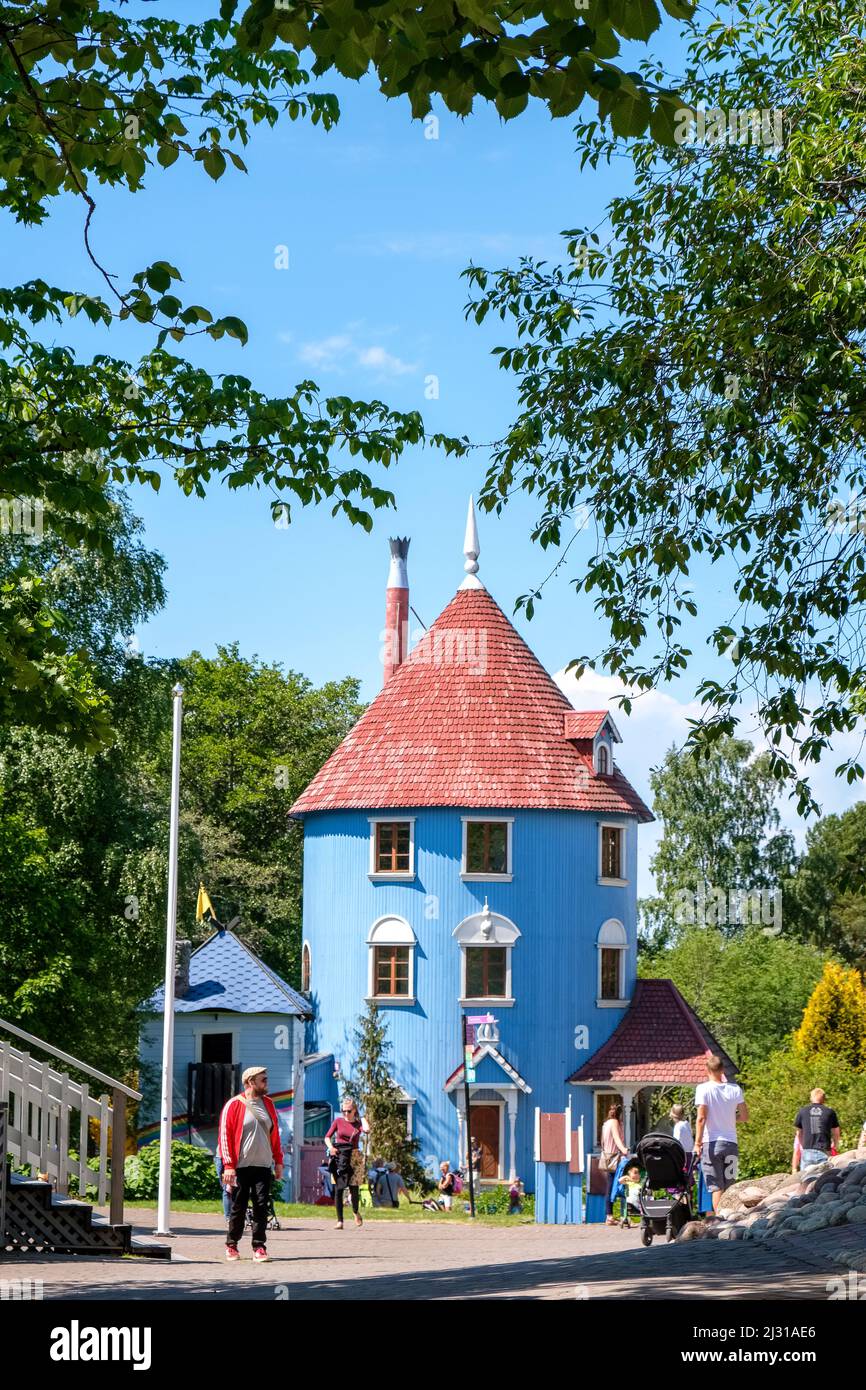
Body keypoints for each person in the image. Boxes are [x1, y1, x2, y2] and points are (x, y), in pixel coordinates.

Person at [218, 1065, 283, 1263]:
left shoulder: (269, 1104)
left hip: (263, 1165)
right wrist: (228, 1165)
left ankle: (259, 1246)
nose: (266, 1083)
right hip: (240, 1167)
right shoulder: (234, 1105)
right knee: (238, 1206)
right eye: (263, 1080)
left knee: (261, 1206)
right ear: (250, 1082)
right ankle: (232, 1245)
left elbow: (274, 1135)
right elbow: (225, 1136)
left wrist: (278, 1161)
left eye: (266, 1079)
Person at [694, 1055, 749, 1213]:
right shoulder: (735, 1089)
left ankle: (720, 1221)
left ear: (707, 1070)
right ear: (723, 1070)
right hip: (731, 1144)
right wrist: (730, 1118)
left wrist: (697, 1143)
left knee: (716, 1187)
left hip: (711, 1144)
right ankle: (732, 1218)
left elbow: (701, 1118)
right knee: (730, 1185)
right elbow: (745, 1116)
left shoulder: (703, 1089)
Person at [325, 1096, 369, 1229]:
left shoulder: (358, 1123)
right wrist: (330, 1148)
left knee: (354, 1188)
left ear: (354, 1110)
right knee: (338, 1188)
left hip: (354, 1157)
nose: (345, 1113)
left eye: (349, 1111)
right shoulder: (338, 1121)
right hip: (339, 1156)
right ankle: (340, 1221)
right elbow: (327, 1137)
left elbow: (367, 1130)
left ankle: (355, 1212)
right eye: (343, 1110)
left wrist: (361, 1118)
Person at [793, 1088, 841, 1171]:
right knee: (823, 1180)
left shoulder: (802, 1111)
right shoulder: (830, 1112)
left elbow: (799, 1133)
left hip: (807, 1151)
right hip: (824, 1151)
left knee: (806, 1179)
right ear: (824, 1099)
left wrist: (802, 1145)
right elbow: (836, 1132)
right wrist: (835, 1145)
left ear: (811, 1098)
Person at [600, 1102, 629, 1225]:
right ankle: (613, 1216)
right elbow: (616, 1139)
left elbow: (602, 1141)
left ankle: (609, 1215)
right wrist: (624, 1150)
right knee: (619, 1185)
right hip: (614, 1157)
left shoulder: (605, 1124)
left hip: (606, 1156)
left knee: (610, 1185)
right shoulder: (615, 1123)